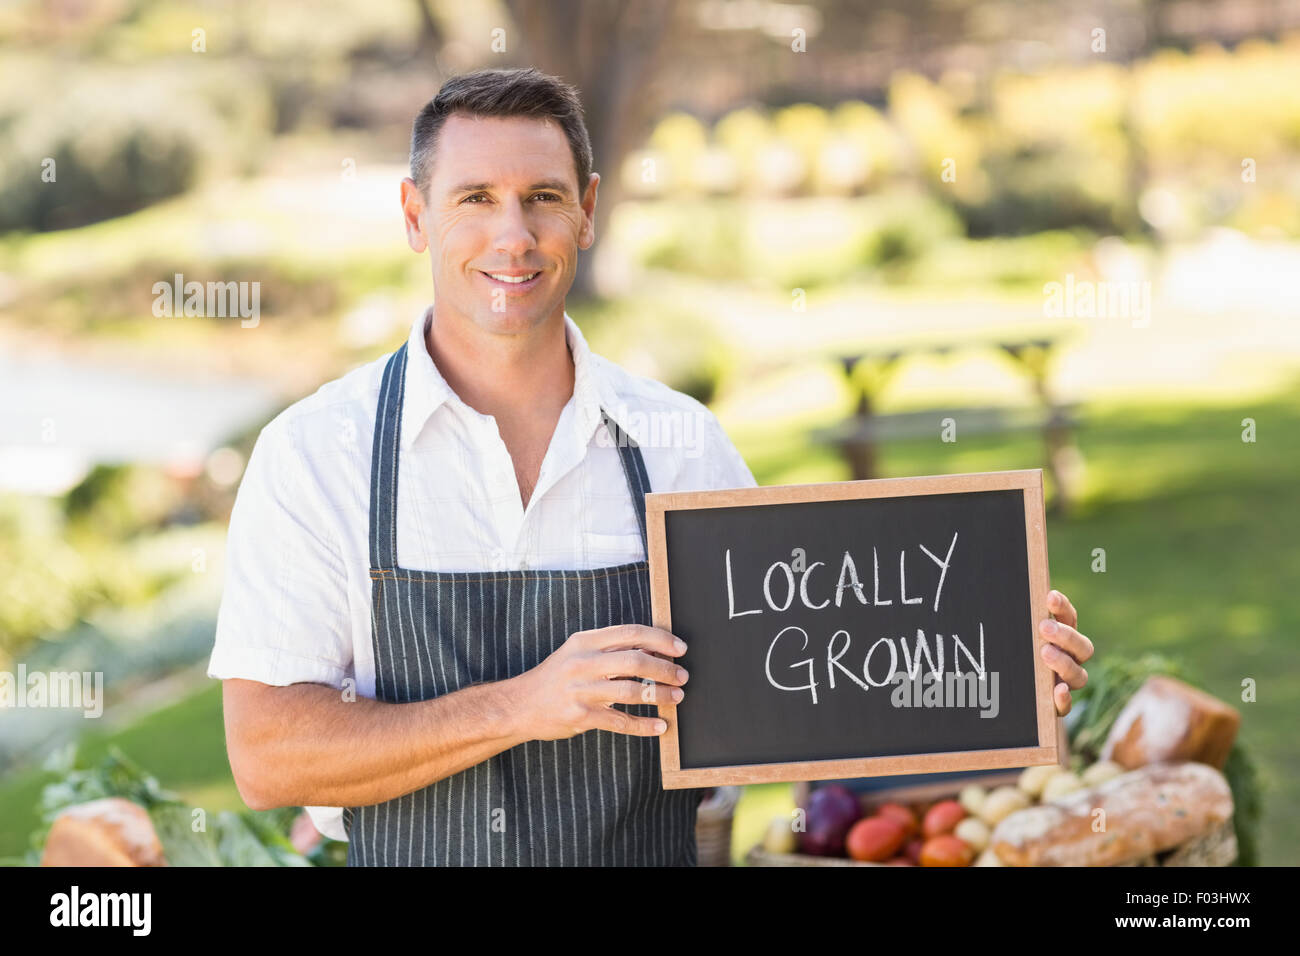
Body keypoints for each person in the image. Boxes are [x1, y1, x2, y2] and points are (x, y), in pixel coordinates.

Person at [209, 67, 1093, 867]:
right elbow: (269, 754)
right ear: (415, 215)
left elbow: (808, 691)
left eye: (542, 197)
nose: (512, 235)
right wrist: (524, 705)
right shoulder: (316, 454)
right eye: (474, 197)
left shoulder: (680, 444)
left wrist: (990, 677)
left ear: (588, 210)